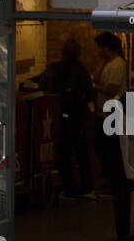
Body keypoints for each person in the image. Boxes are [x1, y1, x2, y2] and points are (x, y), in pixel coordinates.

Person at [38, 37, 95, 198]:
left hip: (60, 115)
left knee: (65, 153)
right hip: (79, 115)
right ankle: (86, 187)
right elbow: (90, 94)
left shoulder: (55, 69)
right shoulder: (82, 70)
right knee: (82, 153)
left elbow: (44, 88)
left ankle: (69, 187)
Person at [92, 32, 134, 241]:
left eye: (101, 48)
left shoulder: (117, 64)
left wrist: (94, 87)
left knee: (111, 157)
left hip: (112, 117)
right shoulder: (108, 63)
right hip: (104, 116)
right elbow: (96, 76)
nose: (98, 52)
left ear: (108, 47)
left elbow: (111, 88)